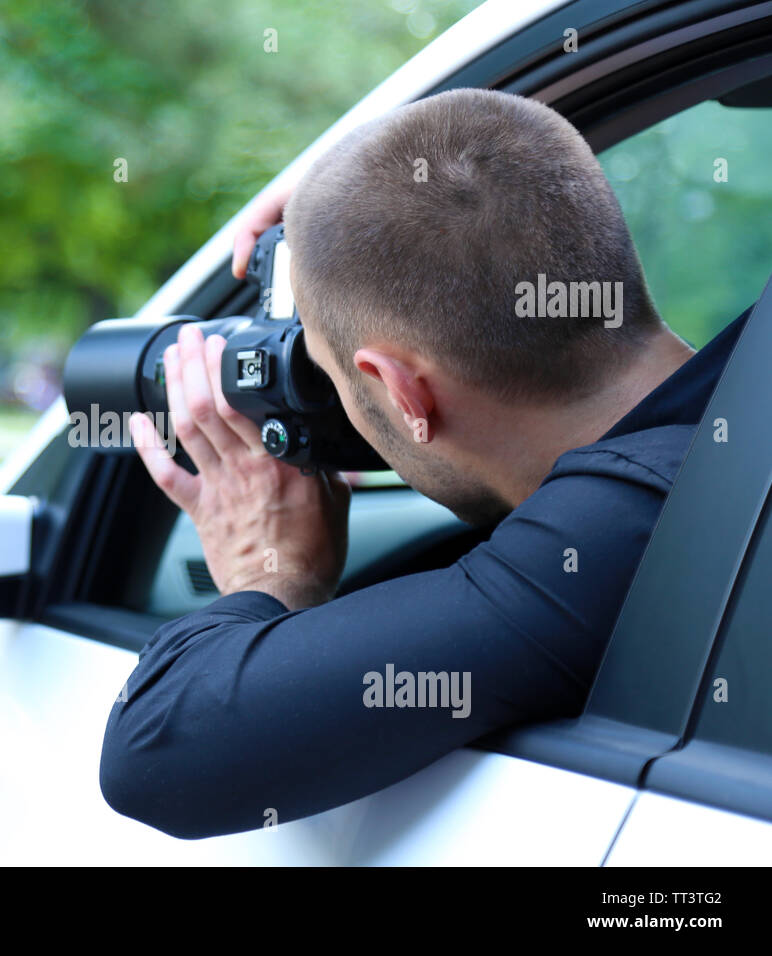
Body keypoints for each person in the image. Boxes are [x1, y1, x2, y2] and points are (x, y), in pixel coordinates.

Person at [99, 87, 747, 839]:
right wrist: (355, 195)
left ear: (400, 388)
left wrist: (267, 569)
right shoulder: (735, 416)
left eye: (327, 374)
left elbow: (158, 753)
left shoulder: (614, 540)